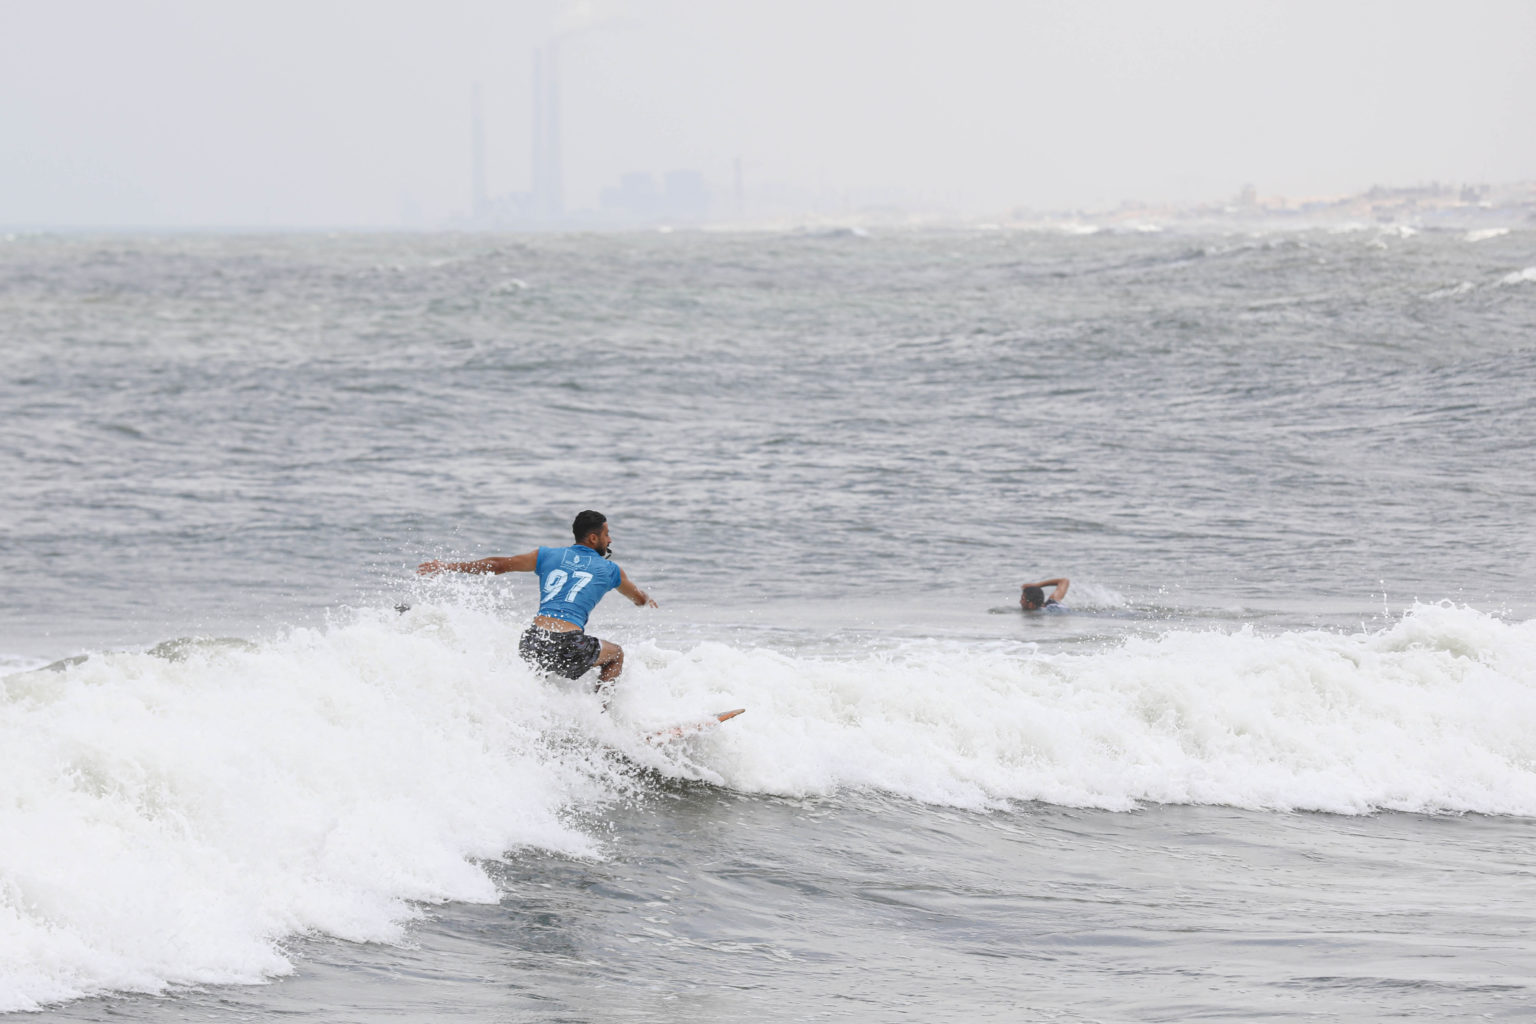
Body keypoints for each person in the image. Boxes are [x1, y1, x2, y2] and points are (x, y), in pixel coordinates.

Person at [416, 510, 658, 688]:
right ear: (593, 538)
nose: (610, 540)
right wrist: (647, 600)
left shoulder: (545, 555)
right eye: (607, 534)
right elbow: (637, 598)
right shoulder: (611, 570)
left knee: (540, 682)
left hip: (533, 639)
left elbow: (498, 565)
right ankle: (602, 721)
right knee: (615, 655)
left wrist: (449, 566)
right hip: (568, 642)